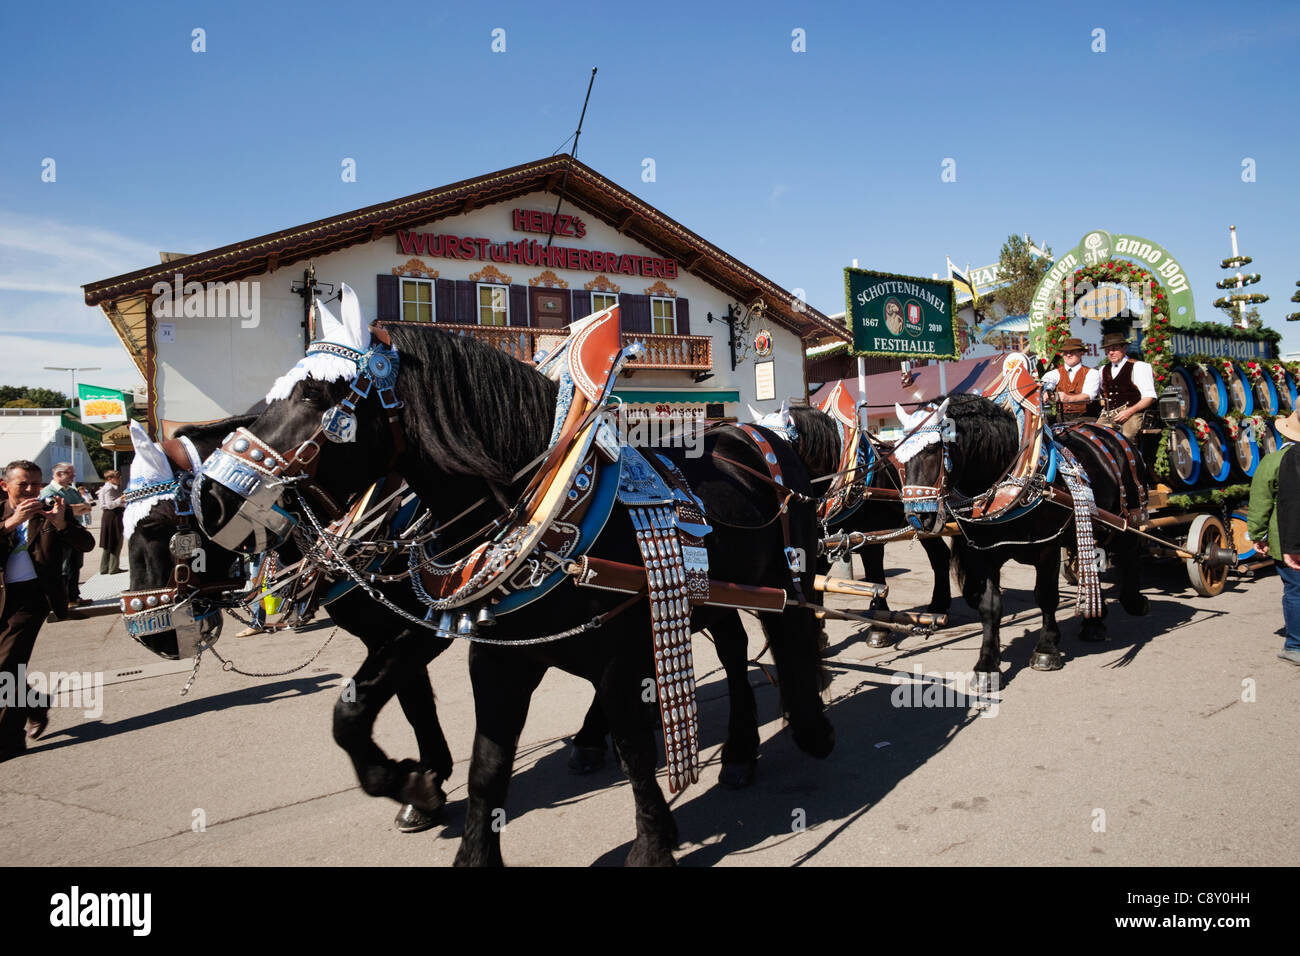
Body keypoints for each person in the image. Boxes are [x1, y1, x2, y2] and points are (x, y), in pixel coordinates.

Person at [1, 460, 95, 759]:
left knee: (7, 667)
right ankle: (34, 704)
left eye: (36, 484)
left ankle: (10, 740)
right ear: (5, 486)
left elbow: (87, 544)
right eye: (23, 485)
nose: (31, 490)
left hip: (32, 600)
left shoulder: (54, 510)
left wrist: (62, 524)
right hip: (3, 596)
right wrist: (10, 524)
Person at [1268, 410, 1300, 665]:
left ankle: (1295, 645)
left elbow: (1292, 505)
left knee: (1295, 589)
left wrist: (1290, 547)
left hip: (1294, 536)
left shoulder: (1290, 459)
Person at [40, 463, 93, 605]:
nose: (74, 476)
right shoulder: (48, 492)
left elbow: (84, 506)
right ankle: (63, 600)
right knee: (63, 567)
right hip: (59, 535)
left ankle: (74, 596)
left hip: (74, 532)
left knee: (75, 565)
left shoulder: (71, 491)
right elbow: (54, 510)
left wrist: (73, 509)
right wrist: (74, 509)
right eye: (70, 473)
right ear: (59, 474)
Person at [1096, 332, 1157, 442]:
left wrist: (1129, 412)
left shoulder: (1139, 367)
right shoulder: (1102, 370)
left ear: (1124, 348)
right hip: (1108, 414)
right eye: (1108, 350)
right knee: (1094, 438)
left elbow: (1150, 397)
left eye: (1114, 349)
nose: (1111, 353)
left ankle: (1130, 459)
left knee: (1125, 437)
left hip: (1133, 413)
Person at [1041, 337, 1100, 423]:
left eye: (1072, 351)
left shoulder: (1092, 373)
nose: (1068, 355)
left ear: (1081, 353)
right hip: (1060, 418)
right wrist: (1046, 391)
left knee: (1070, 430)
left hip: (1086, 418)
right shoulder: (1054, 373)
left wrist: (1068, 398)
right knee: (1042, 426)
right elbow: (1048, 382)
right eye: (1065, 352)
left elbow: (1088, 396)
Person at [97, 471, 124, 575]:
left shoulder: (110, 488)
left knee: (108, 542)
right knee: (115, 541)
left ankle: (105, 568)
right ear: (110, 479)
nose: (119, 478)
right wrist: (121, 499)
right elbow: (110, 504)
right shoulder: (110, 488)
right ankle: (113, 568)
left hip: (111, 516)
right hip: (113, 516)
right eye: (117, 477)